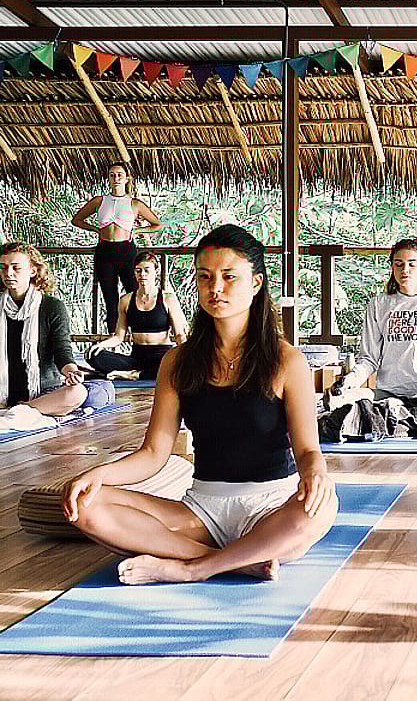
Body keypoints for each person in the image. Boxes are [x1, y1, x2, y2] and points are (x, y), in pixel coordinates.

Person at [62, 225, 337, 585]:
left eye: (229, 277)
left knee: (322, 508)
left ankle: (191, 567)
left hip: (271, 507)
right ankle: (236, 561)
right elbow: (153, 453)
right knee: (86, 504)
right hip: (202, 509)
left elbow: (307, 450)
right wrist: (99, 474)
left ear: (256, 283)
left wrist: (316, 473)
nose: (215, 288)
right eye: (205, 277)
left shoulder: (287, 361)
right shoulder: (177, 362)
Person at [336, 237, 417, 426]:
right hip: (389, 394)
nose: (404, 270)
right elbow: (369, 359)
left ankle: (398, 417)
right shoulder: (379, 304)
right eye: (399, 264)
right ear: (392, 267)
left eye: (411, 264)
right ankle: (411, 418)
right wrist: (349, 382)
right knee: (340, 401)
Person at [1, 242, 114, 424]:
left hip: (43, 391)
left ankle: (21, 410)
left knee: (79, 392)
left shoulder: (52, 307)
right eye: (4, 267)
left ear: (32, 271)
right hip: (4, 390)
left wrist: (71, 372)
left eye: (16, 268)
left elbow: (62, 350)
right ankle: (24, 412)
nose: (9, 273)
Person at [71, 163, 163, 333]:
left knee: (134, 292)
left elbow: (157, 224)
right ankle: (113, 336)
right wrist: (95, 229)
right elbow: (76, 220)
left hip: (126, 250)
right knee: (110, 297)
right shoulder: (99, 201)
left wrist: (137, 231)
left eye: (120, 174)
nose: (116, 178)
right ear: (108, 178)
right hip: (104, 251)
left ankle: (141, 331)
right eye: (112, 175)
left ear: (127, 178)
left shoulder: (134, 203)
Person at [86, 251, 188, 380]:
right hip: (136, 359)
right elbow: (118, 337)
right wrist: (100, 346)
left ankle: (135, 374)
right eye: (138, 271)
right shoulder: (126, 300)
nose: (142, 275)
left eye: (147, 270)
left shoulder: (168, 298)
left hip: (161, 357)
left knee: (176, 365)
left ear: (156, 271)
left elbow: (179, 335)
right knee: (92, 355)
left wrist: (185, 354)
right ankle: (138, 373)